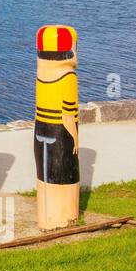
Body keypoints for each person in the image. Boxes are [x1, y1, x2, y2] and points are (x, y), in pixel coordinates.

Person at [34, 25, 81, 229]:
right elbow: (67, 115)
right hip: (60, 133)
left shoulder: (42, 74)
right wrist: (75, 139)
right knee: (63, 172)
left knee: (45, 173)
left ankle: (47, 217)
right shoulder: (67, 77)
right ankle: (62, 218)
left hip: (40, 131)